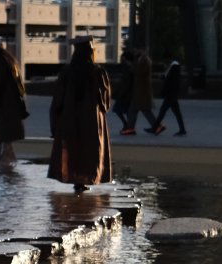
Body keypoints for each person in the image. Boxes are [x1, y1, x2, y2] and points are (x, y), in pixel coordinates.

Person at [48, 38, 111, 193]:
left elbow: (57, 100)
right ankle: (84, 179)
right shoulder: (97, 72)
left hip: (69, 118)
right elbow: (104, 100)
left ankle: (76, 180)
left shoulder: (66, 73)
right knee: (89, 149)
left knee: (72, 148)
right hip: (91, 120)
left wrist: (55, 123)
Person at [0, 39, 27, 164]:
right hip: (8, 100)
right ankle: (8, 153)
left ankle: (6, 154)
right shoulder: (6, 60)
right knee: (4, 127)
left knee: (2, 127)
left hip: (3, 100)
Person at [148, 52, 188, 136]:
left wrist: (166, 90)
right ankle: (182, 129)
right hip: (172, 94)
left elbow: (171, 81)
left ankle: (155, 128)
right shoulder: (174, 67)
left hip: (170, 94)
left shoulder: (174, 67)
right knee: (176, 113)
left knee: (163, 111)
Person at [122, 49, 157, 134]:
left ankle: (156, 126)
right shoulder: (141, 60)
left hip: (142, 91)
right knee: (135, 110)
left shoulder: (145, 60)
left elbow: (138, 72)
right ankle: (131, 128)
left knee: (142, 110)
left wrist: (130, 65)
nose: (135, 51)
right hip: (140, 91)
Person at [111, 50, 133, 129]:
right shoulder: (128, 68)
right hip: (126, 93)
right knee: (125, 111)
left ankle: (128, 125)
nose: (121, 60)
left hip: (125, 94)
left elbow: (126, 83)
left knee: (120, 110)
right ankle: (128, 125)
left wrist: (120, 93)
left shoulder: (128, 69)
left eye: (122, 58)